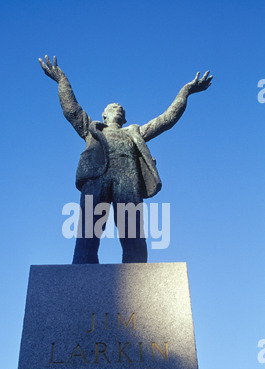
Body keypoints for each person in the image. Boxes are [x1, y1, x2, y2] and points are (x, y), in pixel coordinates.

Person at [39, 55, 212, 264]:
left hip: (128, 182)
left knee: (133, 235)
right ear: (104, 115)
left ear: (125, 118)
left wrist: (185, 92)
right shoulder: (90, 129)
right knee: (88, 234)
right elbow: (71, 109)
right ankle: (82, 274)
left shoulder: (134, 132)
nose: (118, 106)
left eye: (120, 107)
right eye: (113, 106)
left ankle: (137, 276)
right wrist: (62, 80)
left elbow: (166, 120)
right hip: (96, 179)